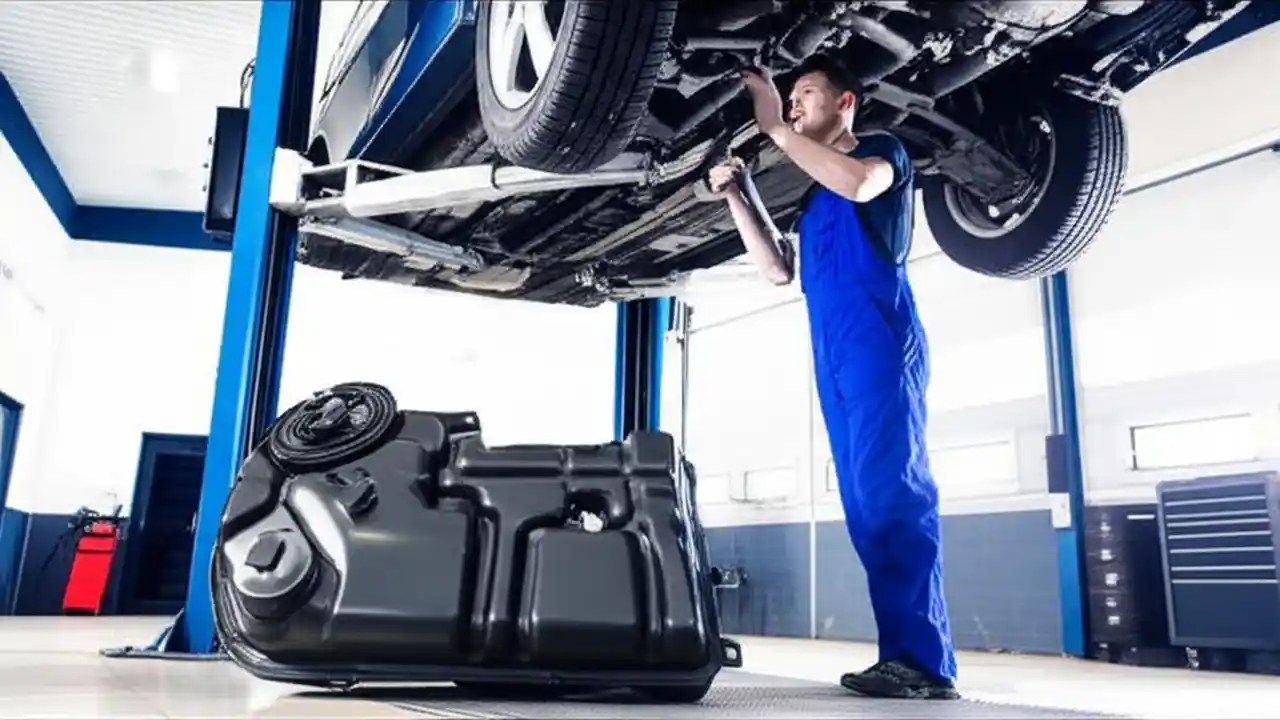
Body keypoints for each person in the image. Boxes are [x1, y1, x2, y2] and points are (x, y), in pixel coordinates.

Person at [706, 54, 959, 700]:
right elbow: (775, 269)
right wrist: (737, 192)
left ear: (845, 103)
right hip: (834, 358)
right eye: (789, 97)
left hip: (880, 346)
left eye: (806, 93)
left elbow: (863, 186)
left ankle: (926, 663)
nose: (793, 104)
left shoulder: (881, 154)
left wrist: (774, 129)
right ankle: (901, 656)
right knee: (865, 507)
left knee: (893, 495)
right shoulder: (815, 199)